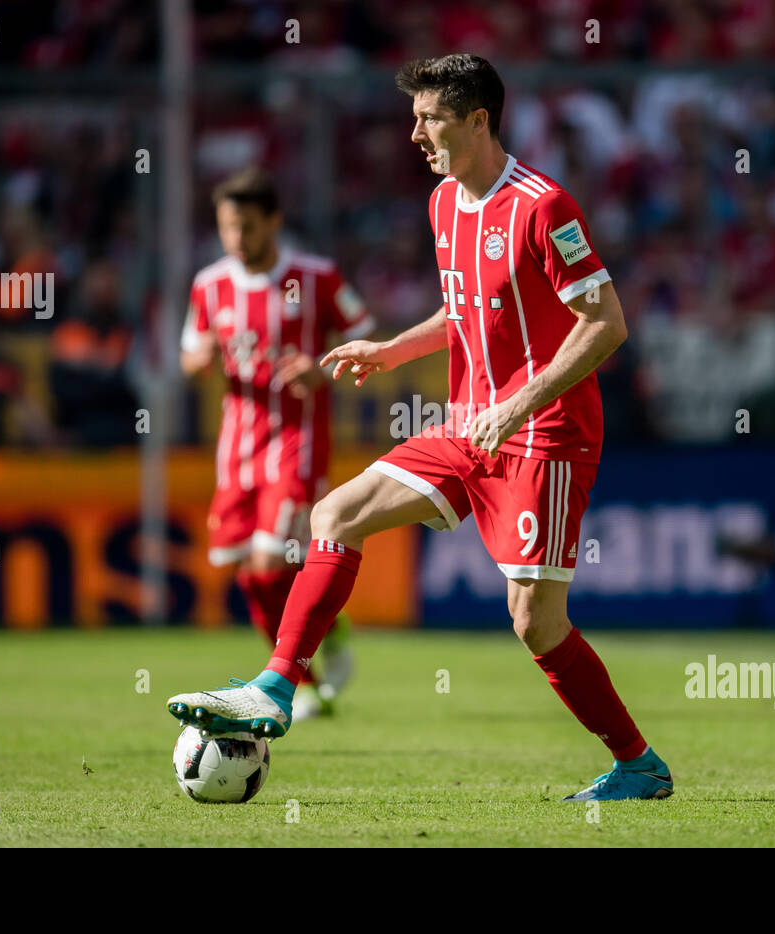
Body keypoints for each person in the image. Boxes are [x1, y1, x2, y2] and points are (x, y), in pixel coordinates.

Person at [168, 55, 673, 801]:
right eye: (414, 118)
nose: (415, 133)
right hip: (471, 424)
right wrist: (392, 347)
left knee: (535, 622)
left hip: (546, 435)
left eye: (429, 117)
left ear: (477, 121)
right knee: (336, 512)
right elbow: (465, 313)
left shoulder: (544, 206)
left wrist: (517, 404)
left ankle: (638, 764)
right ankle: (277, 687)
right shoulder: (443, 203)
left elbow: (606, 324)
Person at [181, 168, 374, 720]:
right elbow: (190, 353)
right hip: (237, 449)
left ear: (273, 222)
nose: (236, 239)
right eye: (226, 228)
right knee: (250, 575)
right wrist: (199, 362)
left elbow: (368, 334)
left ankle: (292, 684)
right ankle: (321, 651)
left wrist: (321, 369)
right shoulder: (209, 284)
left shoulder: (316, 277)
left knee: (269, 567)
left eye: (245, 226)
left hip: (298, 443)